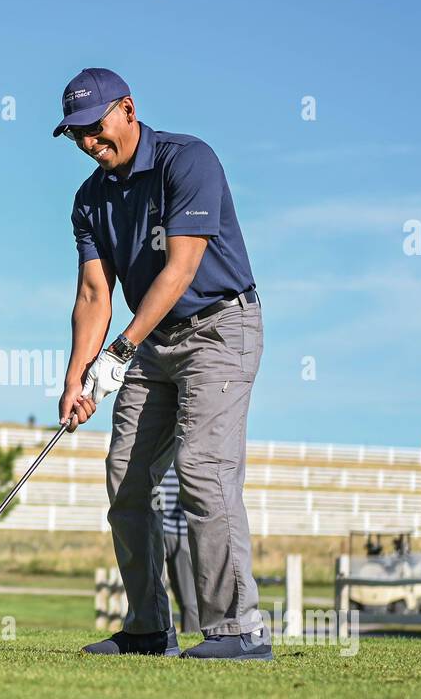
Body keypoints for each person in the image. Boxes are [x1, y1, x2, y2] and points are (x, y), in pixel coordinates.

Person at [53, 67, 269, 661]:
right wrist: (77, 376)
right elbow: (95, 295)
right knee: (126, 476)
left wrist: (119, 350)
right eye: (77, 136)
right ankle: (148, 628)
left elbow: (181, 270)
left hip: (220, 328)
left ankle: (239, 631)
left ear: (126, 109)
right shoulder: (89, 201)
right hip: (152, 341)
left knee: (203, 470)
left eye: (95, 128)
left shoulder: (187, 160)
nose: (90, 144)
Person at [156, 464, 200, 633]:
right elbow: (155, 489)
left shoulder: (187, 454)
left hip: (182, 532)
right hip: (159, 529)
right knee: (155, 592)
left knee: (188, 599)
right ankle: (159, 635)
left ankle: (193, 635)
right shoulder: (159, 453)